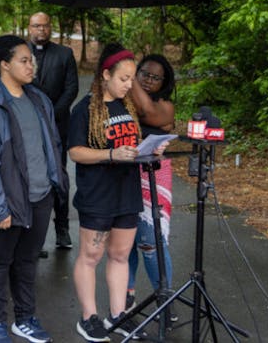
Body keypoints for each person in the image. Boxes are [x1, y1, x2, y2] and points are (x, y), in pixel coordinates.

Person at [0, 35, 67, 343]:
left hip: (39, 197)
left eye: (30, 59)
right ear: (4, 65)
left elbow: (52, 145)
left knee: (26, 262)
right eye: (23, 60)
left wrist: (54, 183)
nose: (30, 65)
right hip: (5, 202)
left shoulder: (38, 99)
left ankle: (24, 317)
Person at [68, 44, 167, 342]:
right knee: (91, 255)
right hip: (97, 195)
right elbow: (75, 152)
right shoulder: (83, 109)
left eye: (132, 79)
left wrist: (151, 151)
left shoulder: (128, 107)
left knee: (121, 254)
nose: (129, 85)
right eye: (124, 78)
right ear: (106, 74)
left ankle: (117, 315)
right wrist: (111, 155)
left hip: (127, 193)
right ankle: (88, 318)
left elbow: (132, 147)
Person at [126, 54, 176, 316]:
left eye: (155, 77)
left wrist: (129, 70)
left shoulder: (165, 106)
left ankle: (164, 300)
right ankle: (125, 299)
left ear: (164, 83)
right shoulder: (125, 99)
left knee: (150, 241)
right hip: (123, 174)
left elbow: (146, 111)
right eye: (144, 73)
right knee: (124, 240)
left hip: (152, 177)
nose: (148, 80)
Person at [27, 12, 78, 251]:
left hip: (57, 125)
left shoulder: (64, 54)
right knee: (30, 176)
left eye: (45, 26)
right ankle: (32, 234)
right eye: (37, 26)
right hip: (27, 125)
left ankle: (62, 228)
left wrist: (51, 114)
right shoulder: (20, 53)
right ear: (29, 28)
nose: (41, 30)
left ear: (51, 28)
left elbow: (71, 88)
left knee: (59, 176)